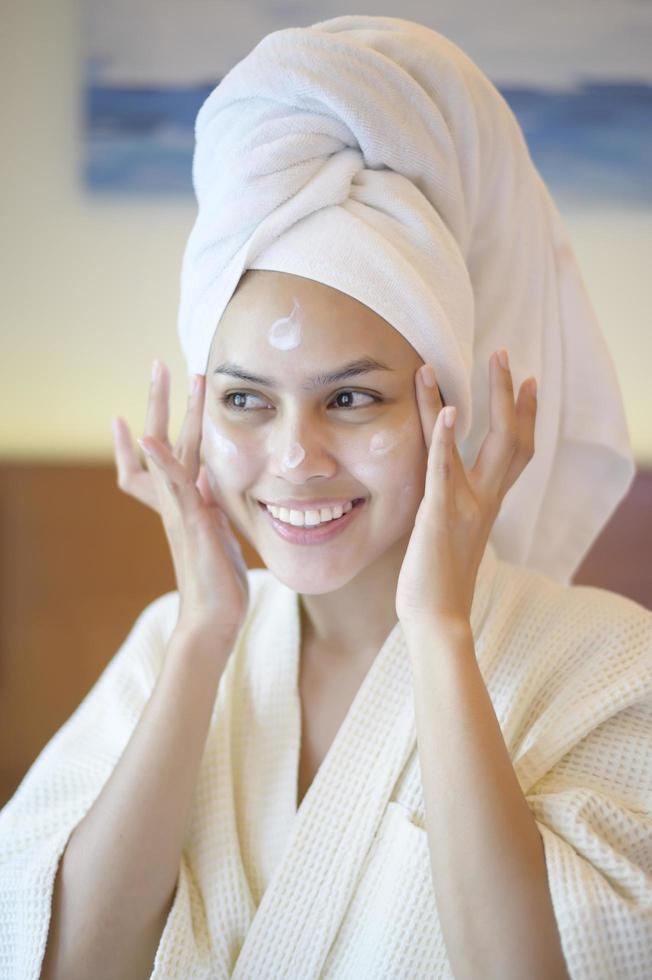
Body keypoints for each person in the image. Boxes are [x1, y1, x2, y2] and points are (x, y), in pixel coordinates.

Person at [2, 15, 651, 980]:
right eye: (244, 400)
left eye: (353, 397)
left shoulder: (608, 669)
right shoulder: (166, 648)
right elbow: (62, 966)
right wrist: (201, 635)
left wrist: (439, 630)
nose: (296, 458)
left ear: (450, 408)